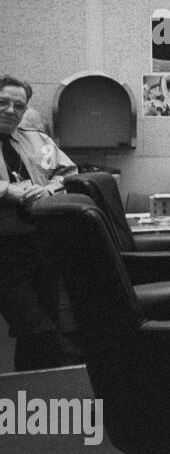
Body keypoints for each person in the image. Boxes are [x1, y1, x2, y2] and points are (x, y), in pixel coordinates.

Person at [0, 74, 78, 371]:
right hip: (4, 251)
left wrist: (48, 188)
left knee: (42, 325)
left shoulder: (38, 141)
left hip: (39, 244)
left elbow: (68, 173)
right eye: (3, 103)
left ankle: (35, 395)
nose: (11, 111)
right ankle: (80, 368)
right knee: (36, 327)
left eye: (19, 106)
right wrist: (10, 191)